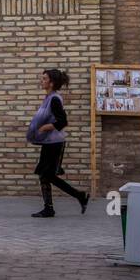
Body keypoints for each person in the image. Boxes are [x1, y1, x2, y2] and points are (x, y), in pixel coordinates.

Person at [26, 68, 90, 218]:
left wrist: (45, 127)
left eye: (44, 79)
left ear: (52, 83)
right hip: (49, 143)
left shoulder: (54, 99)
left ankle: (76, 198)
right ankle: (52, 207)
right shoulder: (48, 98)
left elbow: (62, 121)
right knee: (44, 175)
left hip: (55, 143)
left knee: (47, 175)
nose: (41, 81)